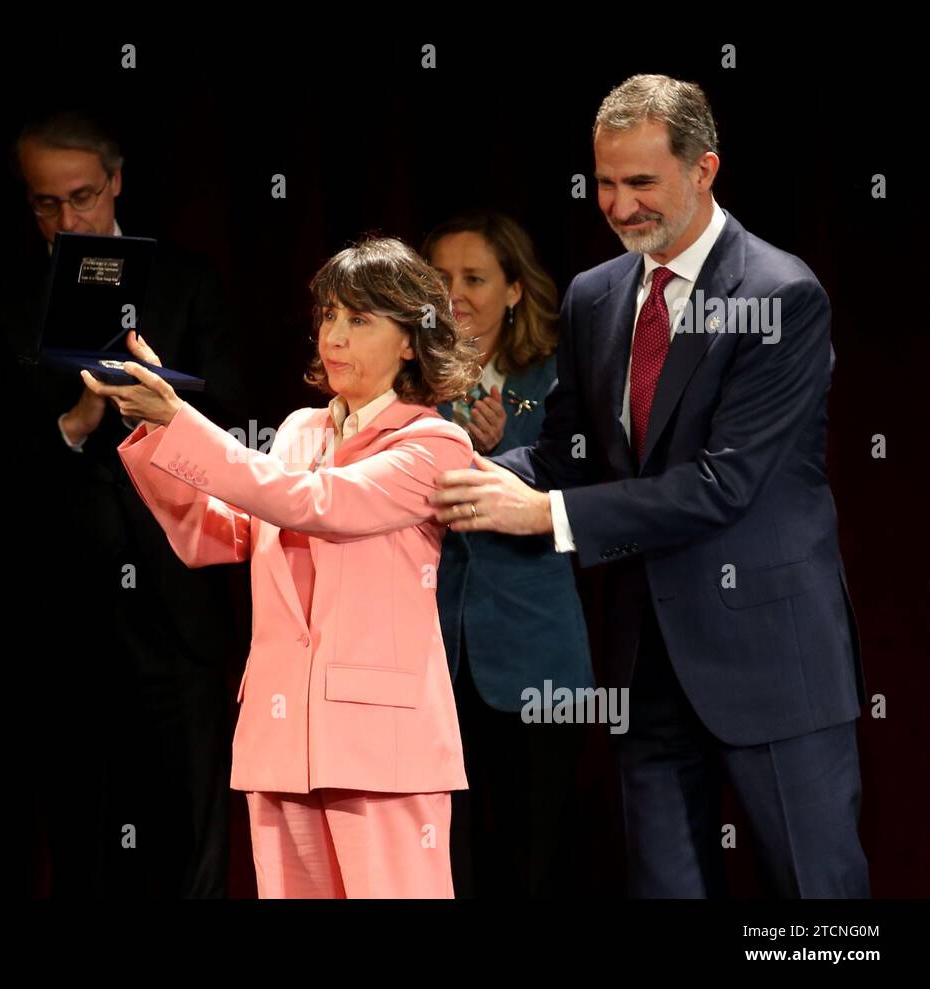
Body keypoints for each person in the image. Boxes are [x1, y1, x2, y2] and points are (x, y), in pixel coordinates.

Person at [431, 74, 868, 898]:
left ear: (705, 169)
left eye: (641, 183)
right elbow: (569, 453)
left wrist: (545, 513)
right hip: (644, 664)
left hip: (773, 662)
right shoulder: (596, 296)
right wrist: (451, 472)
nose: (620, 206)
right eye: (604, 183)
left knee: (820, 907)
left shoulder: (780, 295)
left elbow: (720, 485)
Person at [94, 237, 478, 898]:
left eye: (359, 319)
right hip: (281, 736)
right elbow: (211, 535)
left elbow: (316, 503)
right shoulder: (300, 431)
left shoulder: (435, 443)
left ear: (412, 340)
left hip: (378, 747)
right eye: (329, 314)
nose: (334, 334)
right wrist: (159, 431)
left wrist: (183, 421)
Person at [0, 110, 246, 897]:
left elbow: (242, 420)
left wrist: (161, 407)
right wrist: (73, 423)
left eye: (81, 197)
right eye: (45, 204)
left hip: (175, 603)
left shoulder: (188, 282)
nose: (65, 220)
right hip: (55, 613)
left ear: (116, 182)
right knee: (82, 840)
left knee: (193, 838)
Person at [423, 212, 593, 897]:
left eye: (474, 278)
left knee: (532, 860)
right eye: (440, 278)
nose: (455, 294)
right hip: (429, 657)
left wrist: (504, 458)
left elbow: (587, 484)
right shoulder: (407, 381)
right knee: (443, 861)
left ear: (515, 290)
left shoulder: (557, 378)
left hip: (534, 655)